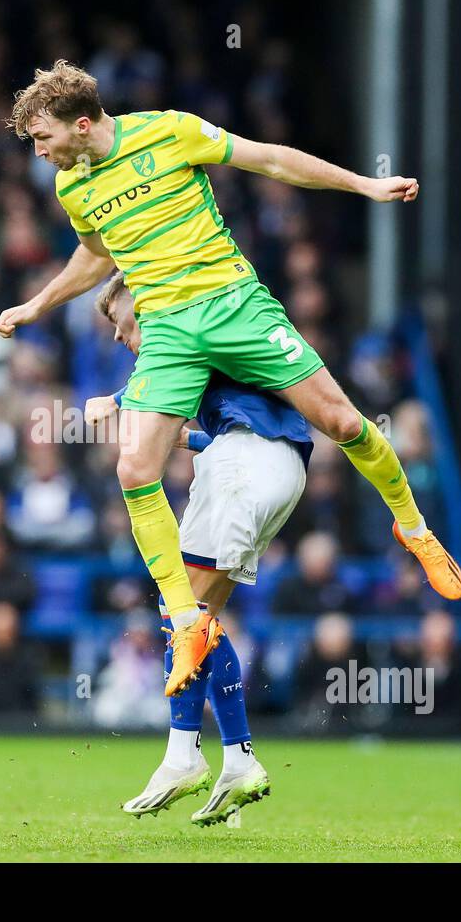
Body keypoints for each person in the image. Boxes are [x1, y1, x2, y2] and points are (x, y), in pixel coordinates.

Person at [0, 60, 461, 700]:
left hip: (234, 304)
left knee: (346, 423)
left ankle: (412, 527)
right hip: (166, 327)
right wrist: (36, 306)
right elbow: (95, 254)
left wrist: (365, 186)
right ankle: (186, 620)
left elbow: (270, 160)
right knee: (134, 468)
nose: (38, 149)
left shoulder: (169, 132)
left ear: (82, 123)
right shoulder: (72, 188)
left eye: (43, 136)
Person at [86, 274, 312, 825]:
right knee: (199, 617)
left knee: (180, 612)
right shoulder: (218, 335)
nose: (118, 337)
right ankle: (237, 759)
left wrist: (115, 400)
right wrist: (177, 436)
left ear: (144, 301)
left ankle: (183, 755)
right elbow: (225, 425)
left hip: (244, 466)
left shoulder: (186, 324)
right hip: (272, 464)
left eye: (118, 319)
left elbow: (173, 388)